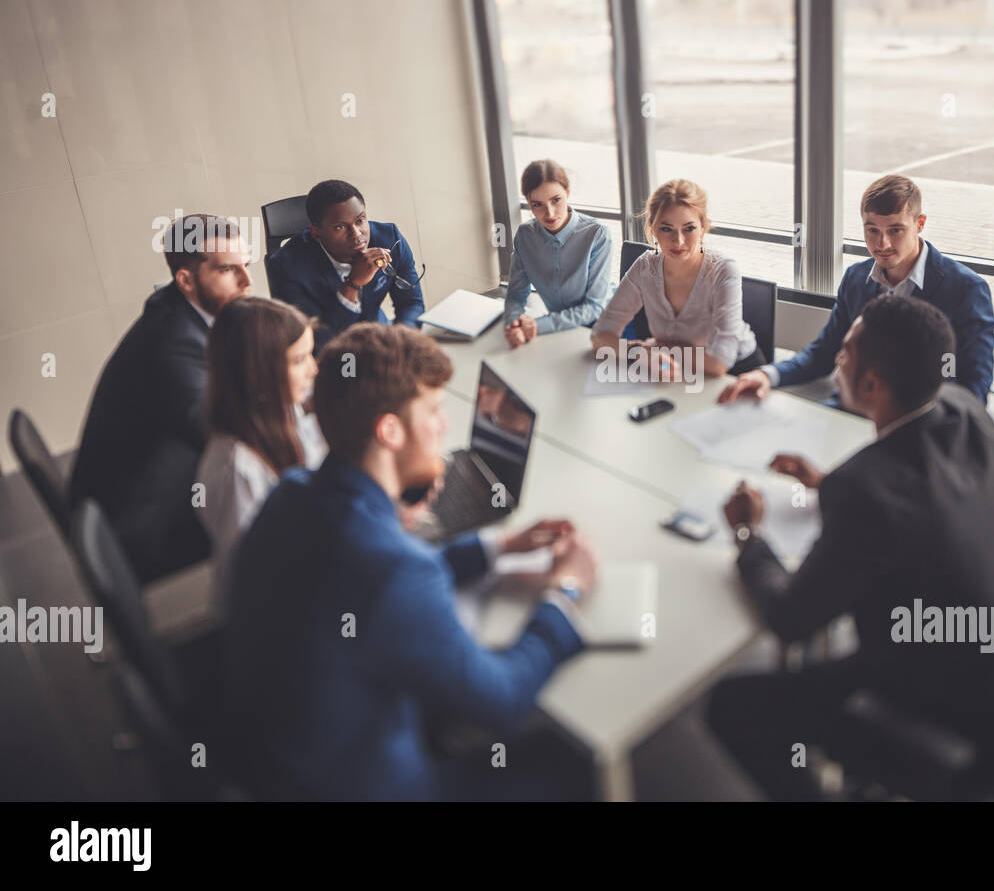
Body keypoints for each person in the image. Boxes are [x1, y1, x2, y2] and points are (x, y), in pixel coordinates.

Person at [220, 322, 599, 800]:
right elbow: (500, 700)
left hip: (279, 764)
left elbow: (368, 575)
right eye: (435, 411)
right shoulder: (394, 569)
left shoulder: (292, 492)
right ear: (390, 430)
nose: (444, 425)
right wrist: (564, 593)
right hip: (371, 784)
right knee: (572, 763)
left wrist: (496, 546)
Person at [707, 296, 994, 801]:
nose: (837, 360)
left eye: (845, 352)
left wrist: (746, 534)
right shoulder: (965, 408)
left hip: (943, 700)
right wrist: (826, 485)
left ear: (872, 384)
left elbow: (791, 619)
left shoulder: (863, 488)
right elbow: (922, 503)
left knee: (731, 705)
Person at [70, 213, 252, 582]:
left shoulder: (182, 312)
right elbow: (224, 432)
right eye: (228, 270)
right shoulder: (174, 342)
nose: (247, 283)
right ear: (185, 280)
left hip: (145, 488)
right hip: (144, 527)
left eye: (246, 265)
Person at [718, 173, 994, 407]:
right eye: (872, 230)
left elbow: (972, 386)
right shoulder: (856, 278)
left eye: (896, 230)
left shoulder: (966, 289)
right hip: (851, 409)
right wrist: (767, 375)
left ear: (919, 224)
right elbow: (825, 351)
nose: (882, 243)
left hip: (920, 422)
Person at [195, 297, 327, 594]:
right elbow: (253, 579)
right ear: (258, 372)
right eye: (298, 360)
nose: (313, 370)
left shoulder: (283, 412)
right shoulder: (239, 470)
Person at [590, 178, 763, 378]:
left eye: (689, 228)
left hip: (737, 372)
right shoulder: (645, 267)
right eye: (666, 229)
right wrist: (638, 352)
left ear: (703, 227)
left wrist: (662, 348)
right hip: (676, 369)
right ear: (653, 229)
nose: (678, 240)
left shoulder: (723, 269)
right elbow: (600, 335)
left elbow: (719, 363)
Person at [265, 179, 425, 345]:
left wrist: (400, 341)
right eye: (340, 227)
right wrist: (352, 284)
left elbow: (412, 304)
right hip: (333, 354)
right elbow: (314, 340)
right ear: (316, 233)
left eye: (360, 220)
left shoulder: (390, 240)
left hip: (379, 336)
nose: (356, 234)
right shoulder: (286, 267)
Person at [502, 160, 613, 347]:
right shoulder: (524, 235)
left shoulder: (597, 234)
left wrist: (537, 326)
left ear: (567, 192)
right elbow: (515, 294)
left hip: (608, 324)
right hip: (562, 329)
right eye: (537, 204)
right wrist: (514, 324)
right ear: (529, 203)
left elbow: (594, 307)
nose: (550, 213)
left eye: (556, 200)